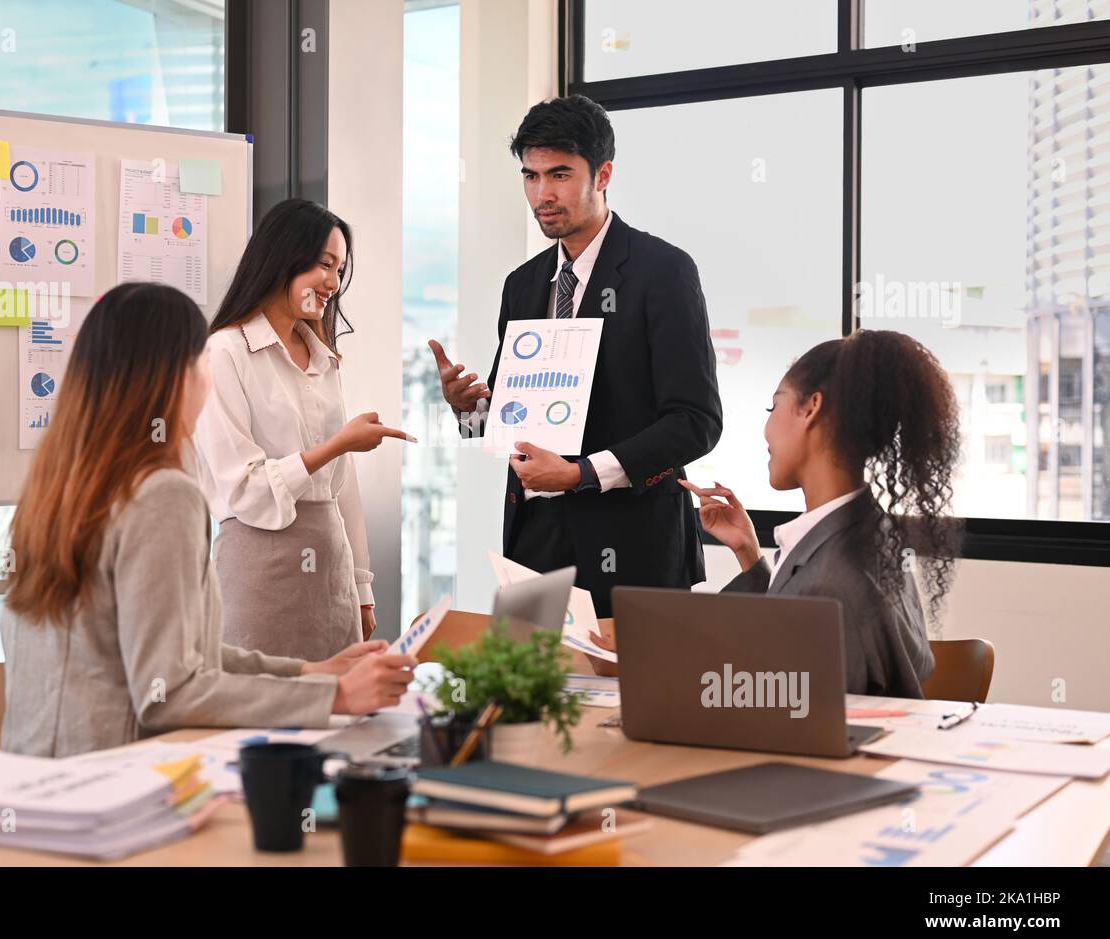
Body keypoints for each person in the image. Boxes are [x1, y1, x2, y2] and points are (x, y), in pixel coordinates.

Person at [0, 282, 416, 758]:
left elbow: (179, 650)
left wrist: (312, 673)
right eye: (202, 361)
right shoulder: (162, 496)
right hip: (110, 783)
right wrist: (336, 697)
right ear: (175, 377)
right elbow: (170, 691)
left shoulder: (54, 490)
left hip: (36, 777)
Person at [429, 94, 722, 617]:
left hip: (635, 548)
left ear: (603, 174)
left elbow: (695, 422)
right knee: (527, 695)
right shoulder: (522, 285)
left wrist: (582, 473)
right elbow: (507, 421)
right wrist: (467, 409)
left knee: (636, 699)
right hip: (533, 544)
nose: (542, 193)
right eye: (530, 176)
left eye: (560, 174)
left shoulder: (664, 272)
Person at [592, 330, 961, 699]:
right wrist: (751, 557)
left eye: (774, 407)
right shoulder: (871, 534)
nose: (766, 429)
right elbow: (788, 645)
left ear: (811, 408)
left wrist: (640, 666)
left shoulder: (829, 582)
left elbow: (788, 710)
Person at [195, 199, 414, 659]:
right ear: (283, 258)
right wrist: (336, 445)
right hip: (259, 571)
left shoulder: (322, 355)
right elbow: (245, 489)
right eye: (324, 265)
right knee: (262, 713)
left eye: (340, 270)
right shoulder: (225, 353)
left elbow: (342, 486)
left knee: (340, 715)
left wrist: (361, 586)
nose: (334, 283)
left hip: (330, 566)